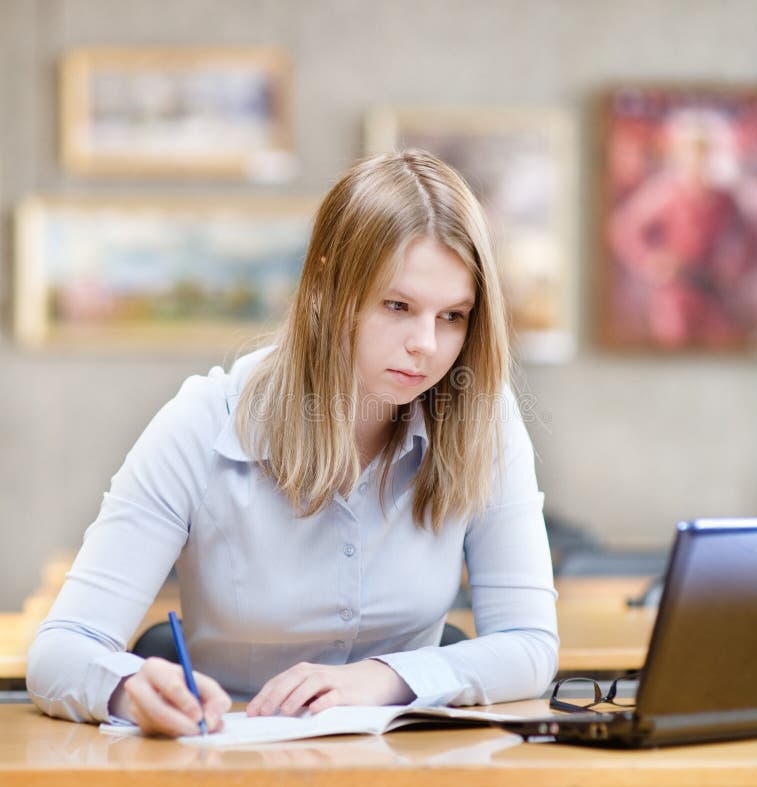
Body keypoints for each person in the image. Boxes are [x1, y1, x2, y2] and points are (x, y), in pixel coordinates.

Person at [26, 150, 559, 737]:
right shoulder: (203, 423)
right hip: (229, 758)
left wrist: (384, 678)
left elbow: (530, 646)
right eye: (397, 306)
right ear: (328, 284)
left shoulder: (485, 418)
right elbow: (60, 653)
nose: (426, 345)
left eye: (454, 316)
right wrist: (127, 691)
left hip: (402, 763)